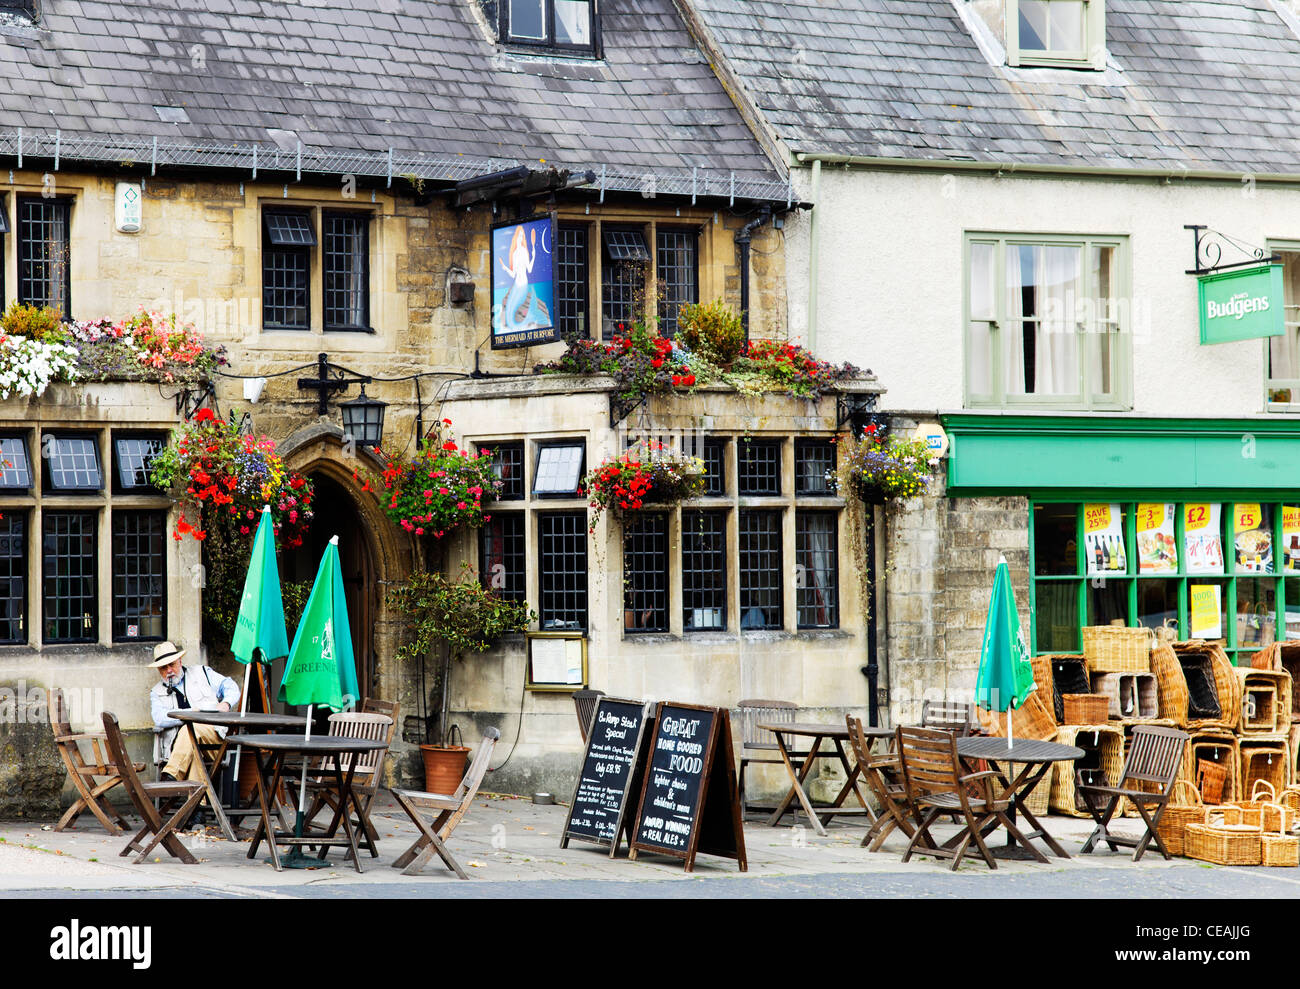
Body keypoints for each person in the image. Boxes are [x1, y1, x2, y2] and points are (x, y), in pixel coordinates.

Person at [149, 641, 241, 784]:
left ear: (180, 661)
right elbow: (159, 718)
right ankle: (195, 802)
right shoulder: (156, 692)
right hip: (180, 748)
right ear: (158, 670)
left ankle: (171, 775)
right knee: (192, 743)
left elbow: (230, 686)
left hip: (214, 741)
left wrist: (226, 703)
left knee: (190, 730)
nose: (169, 671)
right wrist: (191, 713)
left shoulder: (202, 673)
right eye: (163, 667)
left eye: (171, 664)